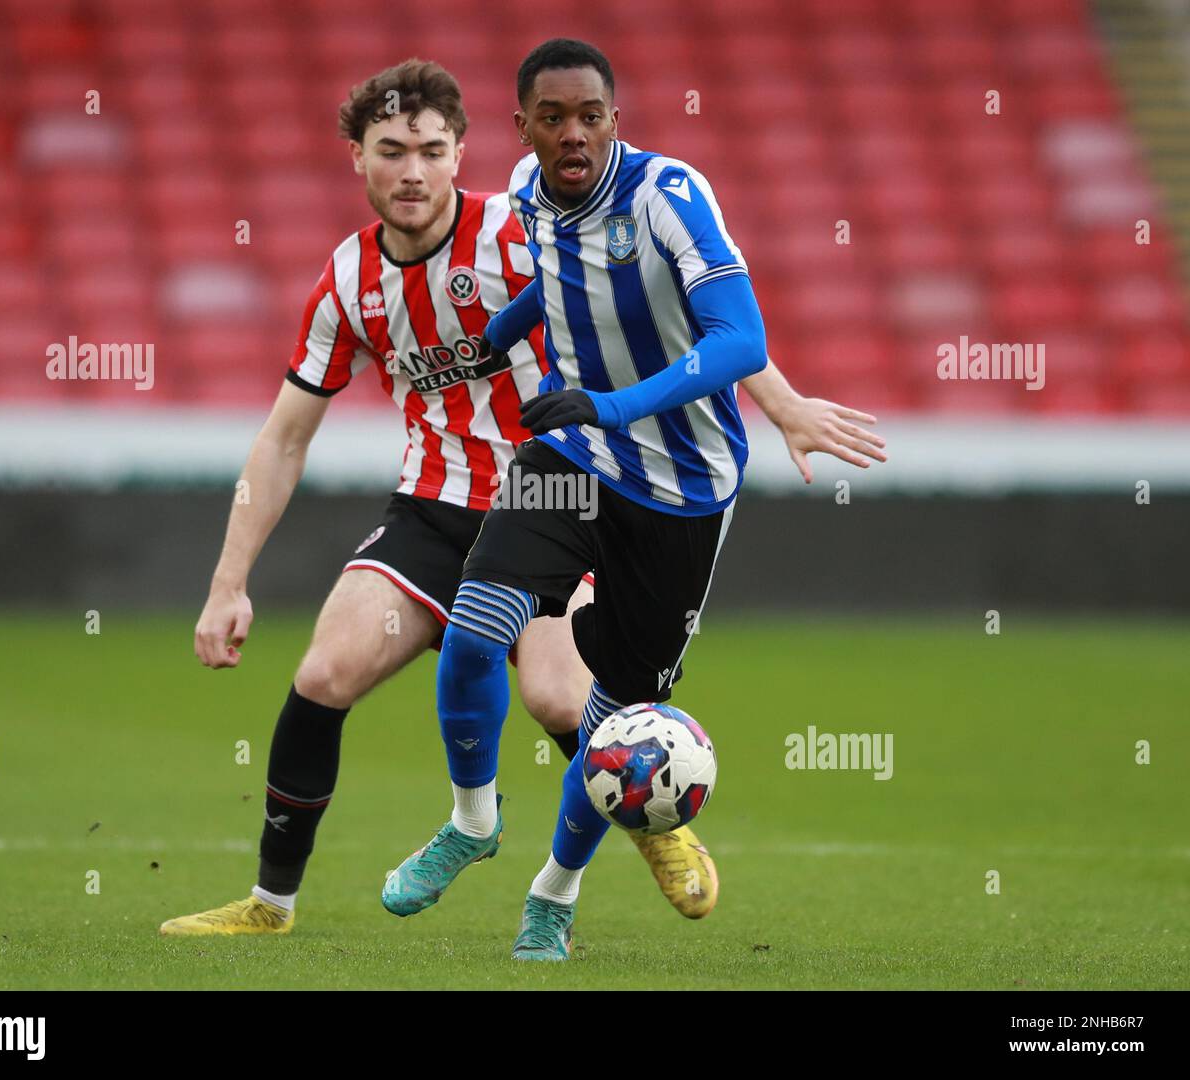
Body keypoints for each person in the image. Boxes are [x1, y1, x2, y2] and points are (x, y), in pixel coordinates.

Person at [380, 39, 886, 960]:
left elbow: (739, 340)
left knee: (616, 724)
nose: (573, 133)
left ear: (616, 119)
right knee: (474, 632)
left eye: (591, 116)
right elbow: (555, 287)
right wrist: (491, 344)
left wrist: (613, 405)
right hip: (574, 457)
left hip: (681, 493)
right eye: (554, 118)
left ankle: (554, 893)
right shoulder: (528, 195)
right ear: (523, 127)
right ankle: (472, 821)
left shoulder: (667, 196)